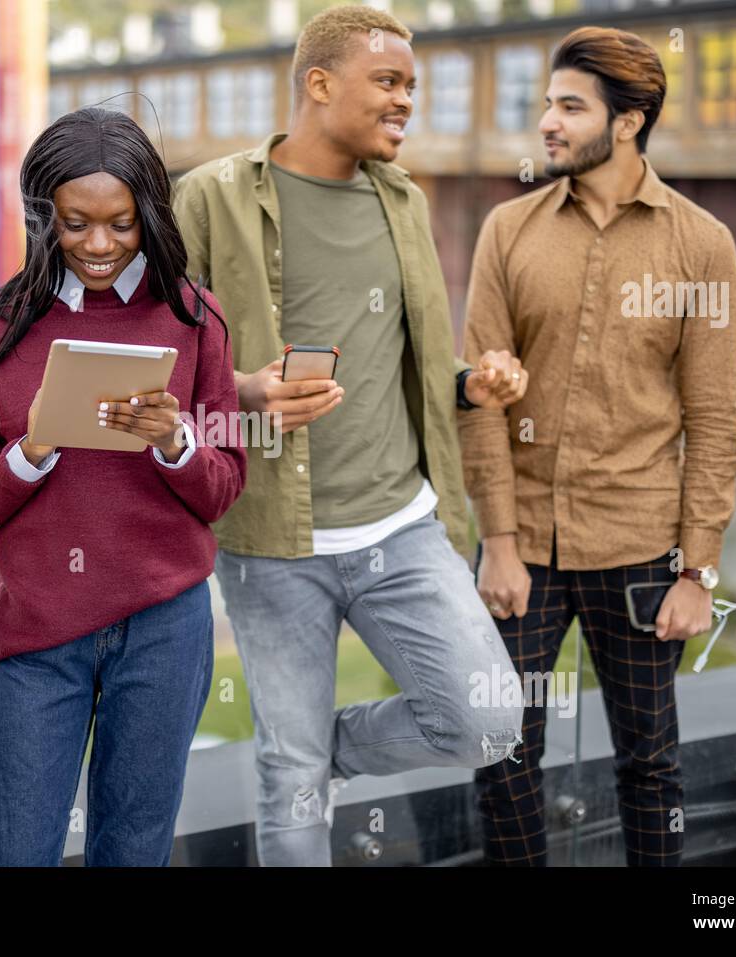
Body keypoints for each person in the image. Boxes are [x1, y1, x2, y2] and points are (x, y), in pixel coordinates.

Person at [172, 4, 526, 866]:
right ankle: (293, 758)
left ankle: (308, 748)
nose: (407, 100)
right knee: (290, 789)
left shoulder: (402, 200)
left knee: (486, 720)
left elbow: (408, 361)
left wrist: (470, 385)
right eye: (389, 82)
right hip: (269, 541)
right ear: (319, 84)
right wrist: (245, 395)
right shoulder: (211, 197)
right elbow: (167, 369)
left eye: (412, 85)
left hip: (401, 526)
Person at [461, 27, 736, 866]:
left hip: (641, 549)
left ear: (629, 121)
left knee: (651, 764)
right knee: (502, 751)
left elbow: (715, 413)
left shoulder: (701, 244)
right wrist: (500, 546)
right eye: (547, 102)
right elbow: (479, 394)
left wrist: (698, 571)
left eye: (569, 106)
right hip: (525, 549)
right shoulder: (507, 230)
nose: (547, 121)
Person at [0, 107, 247, 867]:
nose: (100, 245)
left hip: (165, 626)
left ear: (149, 214)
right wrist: (34, 445)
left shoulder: (195, 318)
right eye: (76, 225)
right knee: (16, 850)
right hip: (40, 632)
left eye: (122, 224)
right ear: (44, 217)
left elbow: (223, 489)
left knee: (135, 847)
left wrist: (175, 443)